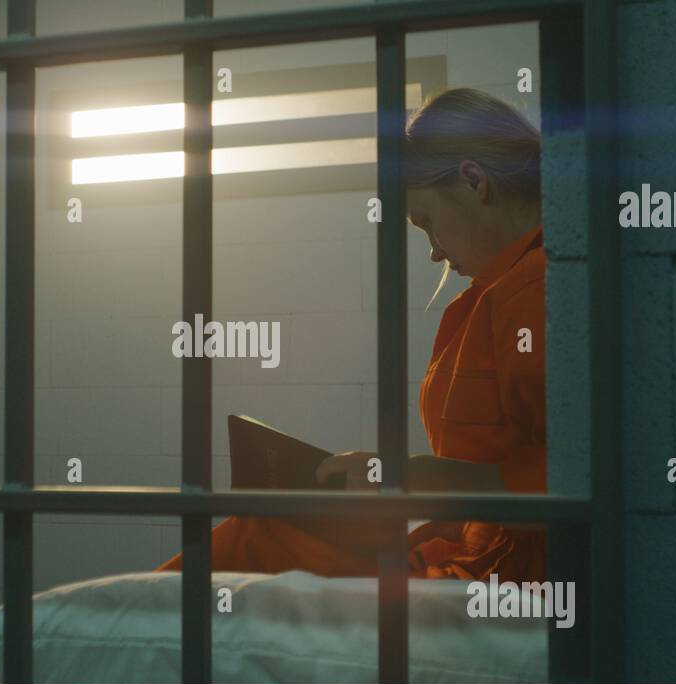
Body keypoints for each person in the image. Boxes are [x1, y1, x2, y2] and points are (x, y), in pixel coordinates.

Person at [157, 88, 547, 584]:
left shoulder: (532, 288)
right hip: (471, 558)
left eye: (427, 222)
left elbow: (570, 485)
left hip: (499, 577)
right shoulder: (505, 289)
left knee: (252, 541)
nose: (432, 252)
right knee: (258, 535)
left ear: (473, 181)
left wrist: (413, 477)